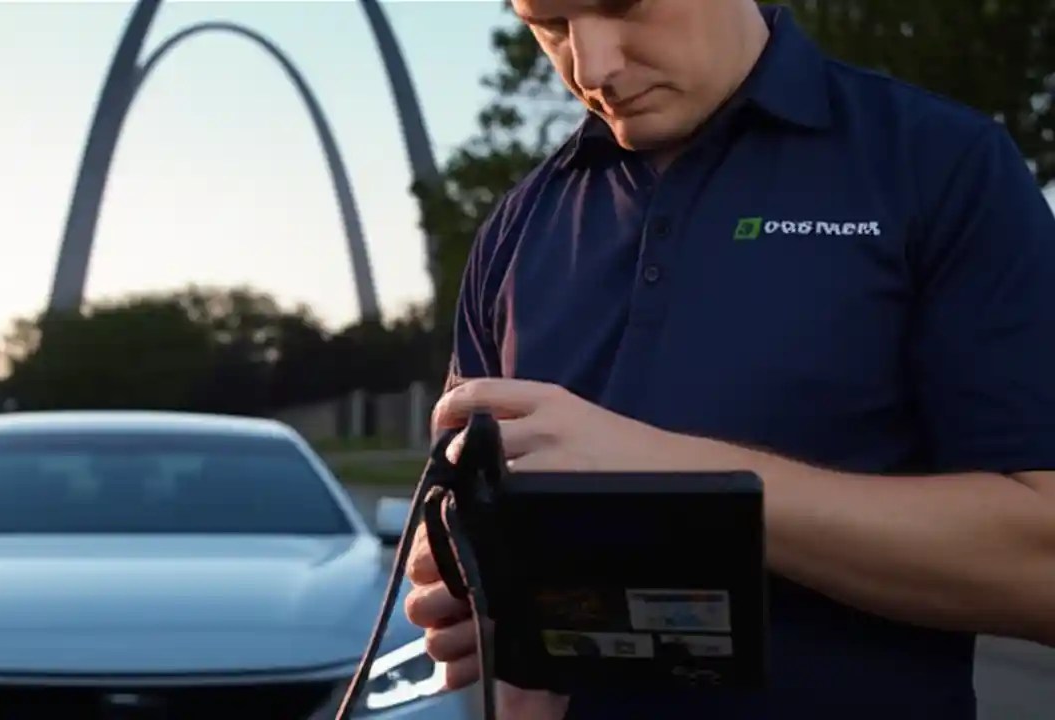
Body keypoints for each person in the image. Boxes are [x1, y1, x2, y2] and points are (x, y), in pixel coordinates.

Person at [402, 1, 1055, 718]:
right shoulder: (517, 228)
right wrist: (480, 590)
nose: (593, 68)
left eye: (622, 4)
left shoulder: (944, 169)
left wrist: (666, 475)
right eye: (548, 23)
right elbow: (476, 573)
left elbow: (1042, 569)